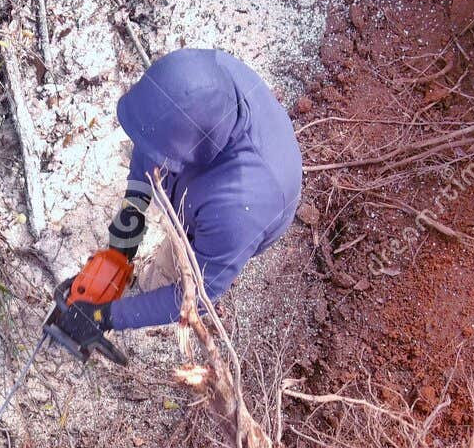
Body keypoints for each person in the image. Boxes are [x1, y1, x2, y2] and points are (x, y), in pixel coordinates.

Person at [52, 47, 304, 351]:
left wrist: (105, 316)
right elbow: (152, 135)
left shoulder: (235, 213)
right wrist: (132, 213)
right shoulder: (195, 79)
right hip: (216, 174)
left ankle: (149, 287)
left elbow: (197, 292)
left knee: (176, 261)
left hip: (246, 209)